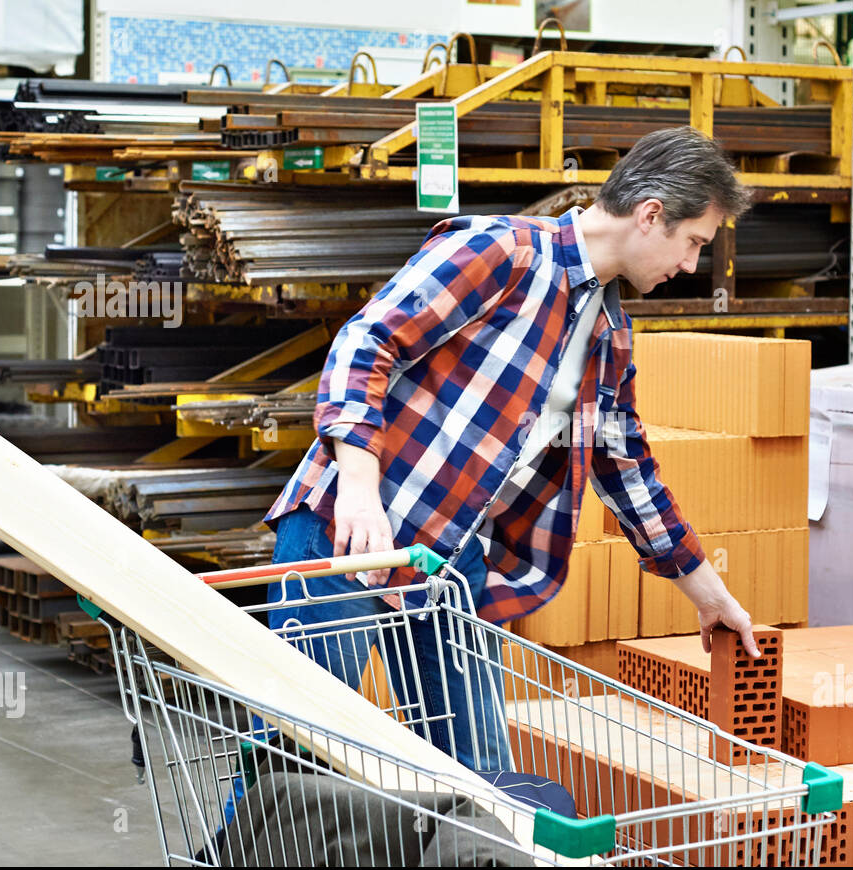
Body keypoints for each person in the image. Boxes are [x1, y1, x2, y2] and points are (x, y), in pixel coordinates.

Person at [262, 126, 759, 774]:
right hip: (349, 534)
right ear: (650, 215)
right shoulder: (502, 252)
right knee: (295, 768)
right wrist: (357, 486)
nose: (691, 265)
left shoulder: (609, 335)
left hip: (448, 563)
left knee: (478, 779)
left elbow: (626, 470)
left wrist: (708, 593)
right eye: (694, 242)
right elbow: (367, 341)